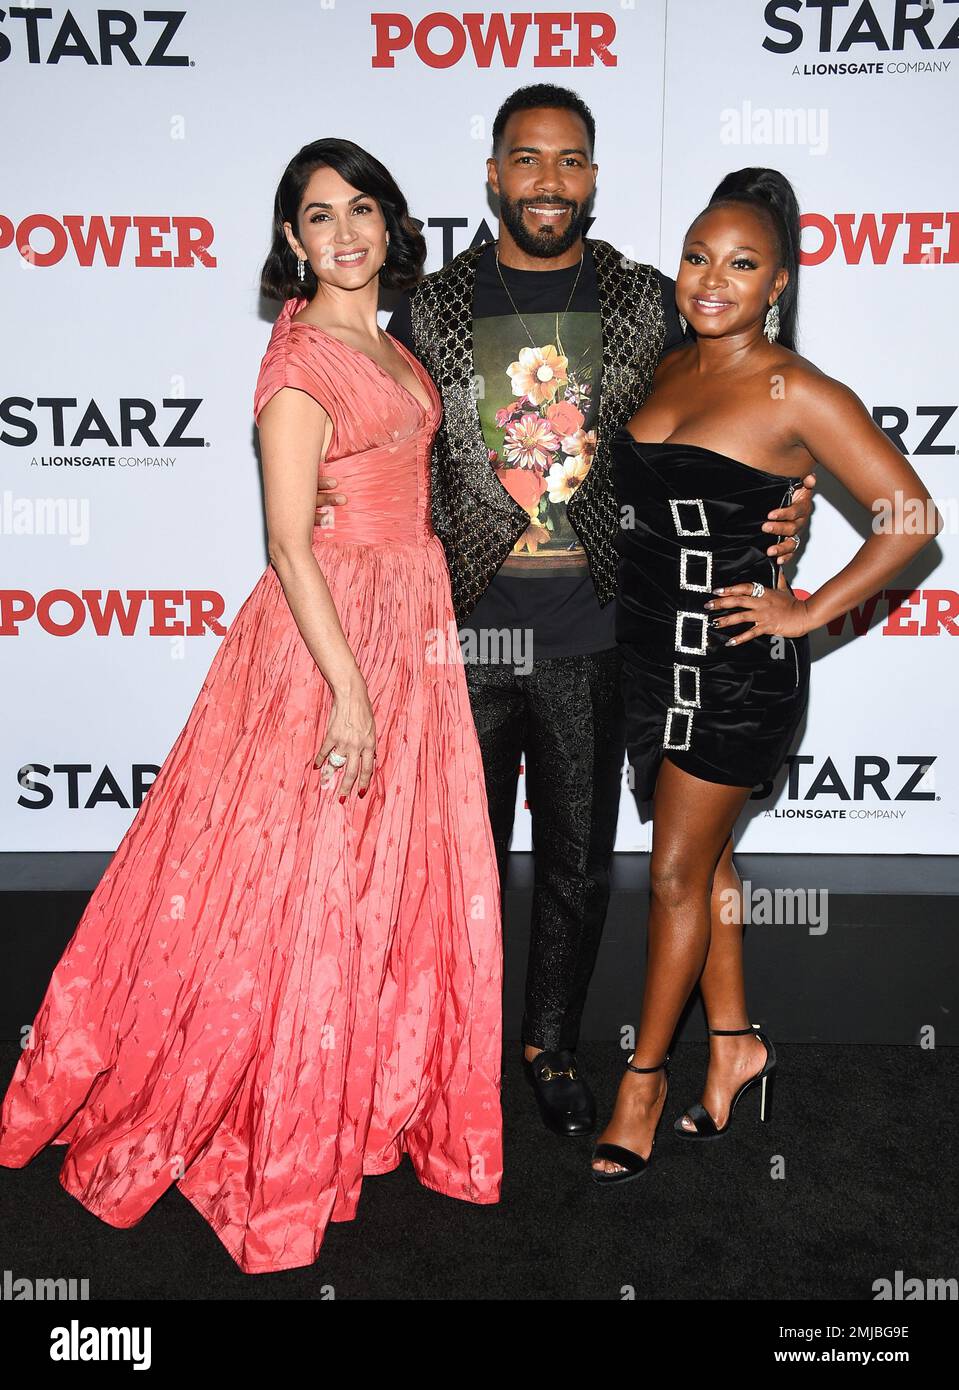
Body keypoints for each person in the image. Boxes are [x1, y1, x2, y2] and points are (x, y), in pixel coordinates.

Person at [0, 138, 504, 1269]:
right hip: (330, 641)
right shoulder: (296, 367)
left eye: (361, 208)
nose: (344, 232)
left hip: (403, 620)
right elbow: (287, 538)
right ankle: (268, 1119)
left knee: (380, 875)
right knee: (294, 880)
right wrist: (349, 695)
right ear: (291, 241)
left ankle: (360, 1097)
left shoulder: (385, 336)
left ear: (388, 222)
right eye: (318, 216)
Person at [313, 86, 816, 1139]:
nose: (549, 180)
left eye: (570, 160)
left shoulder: (647, 298)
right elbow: (386, 442)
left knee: (579, 866)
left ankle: (547, 1045)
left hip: (596, 633)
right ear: (492, 175)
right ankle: (449, 1050)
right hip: (462, 632)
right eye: (527, 160)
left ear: (594, 176)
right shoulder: (434, 308)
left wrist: (790, 499)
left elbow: (745, 391)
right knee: (457, 864)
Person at [590, 166, 940, 1183]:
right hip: (652, 657)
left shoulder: (799, 391)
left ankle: (643, 1077)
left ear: (776, 282)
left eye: (739, 264)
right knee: (702, 860)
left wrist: (801, 607)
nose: (710, 279)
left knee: (669, 875)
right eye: (696, 257)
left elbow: (909, 519)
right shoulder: (664, 365)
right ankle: (734, 1044)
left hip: (734, 669)